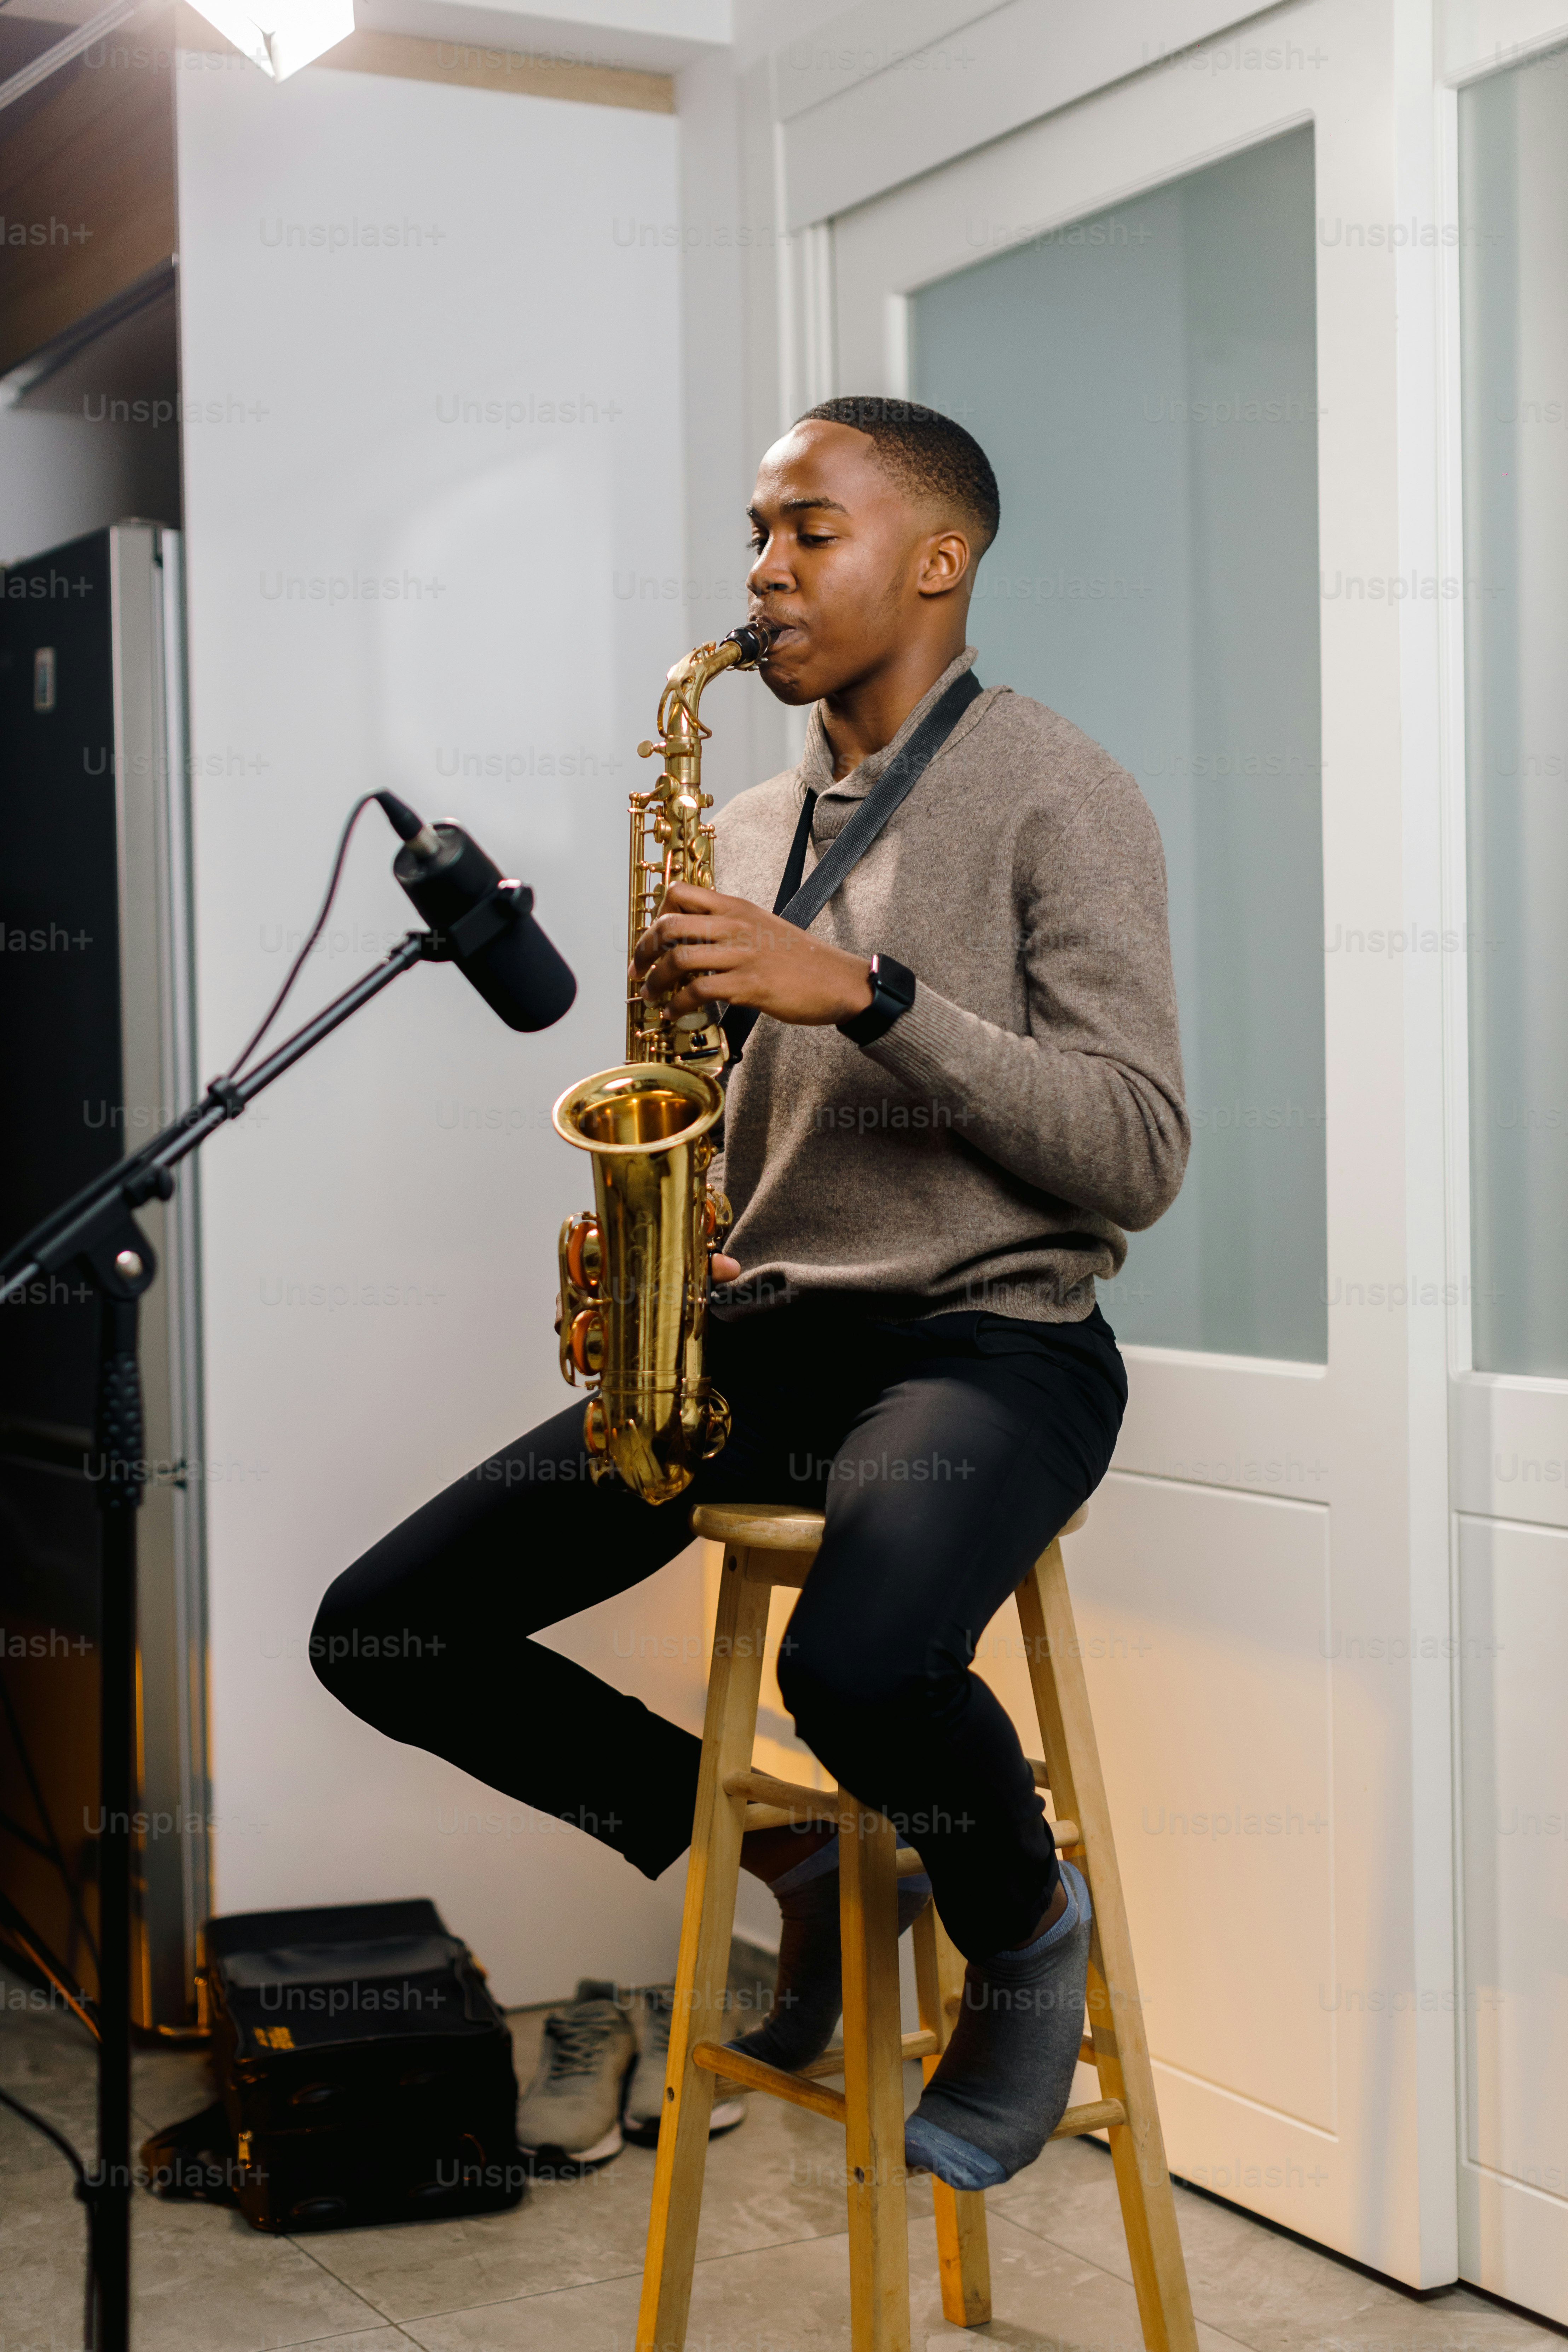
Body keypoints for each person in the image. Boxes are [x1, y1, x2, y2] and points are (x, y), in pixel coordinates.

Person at [311, 395, 1188, 2192]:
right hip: (768, 1334)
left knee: (858, 1666)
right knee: (383, 1629)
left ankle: (1021, 1932)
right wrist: (679, 1202)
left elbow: (1135, 1146)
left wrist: (859, 991)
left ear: (939, 559)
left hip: (989, 1341)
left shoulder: (1060, 789)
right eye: (753, 536)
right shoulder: (739, 812)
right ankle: (792, 1872)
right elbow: (719, 1103)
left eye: (807, 531)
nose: (761, 574)